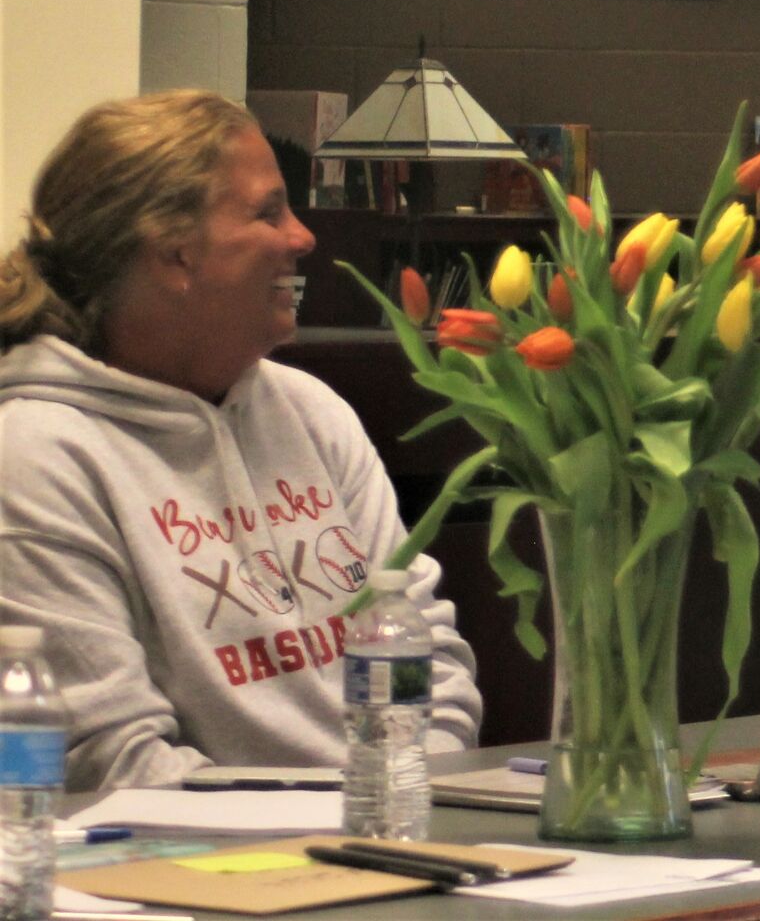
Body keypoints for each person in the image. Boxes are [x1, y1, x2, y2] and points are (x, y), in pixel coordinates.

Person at [0, 90, 482, 791]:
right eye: (268, 212)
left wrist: (407, 804)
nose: (304, 236)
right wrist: (347, 818)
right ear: (174, 253)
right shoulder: (37, 456)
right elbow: (109, 763)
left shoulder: (312, 414)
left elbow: (427, 655)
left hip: (392, 833)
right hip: (201, 880)